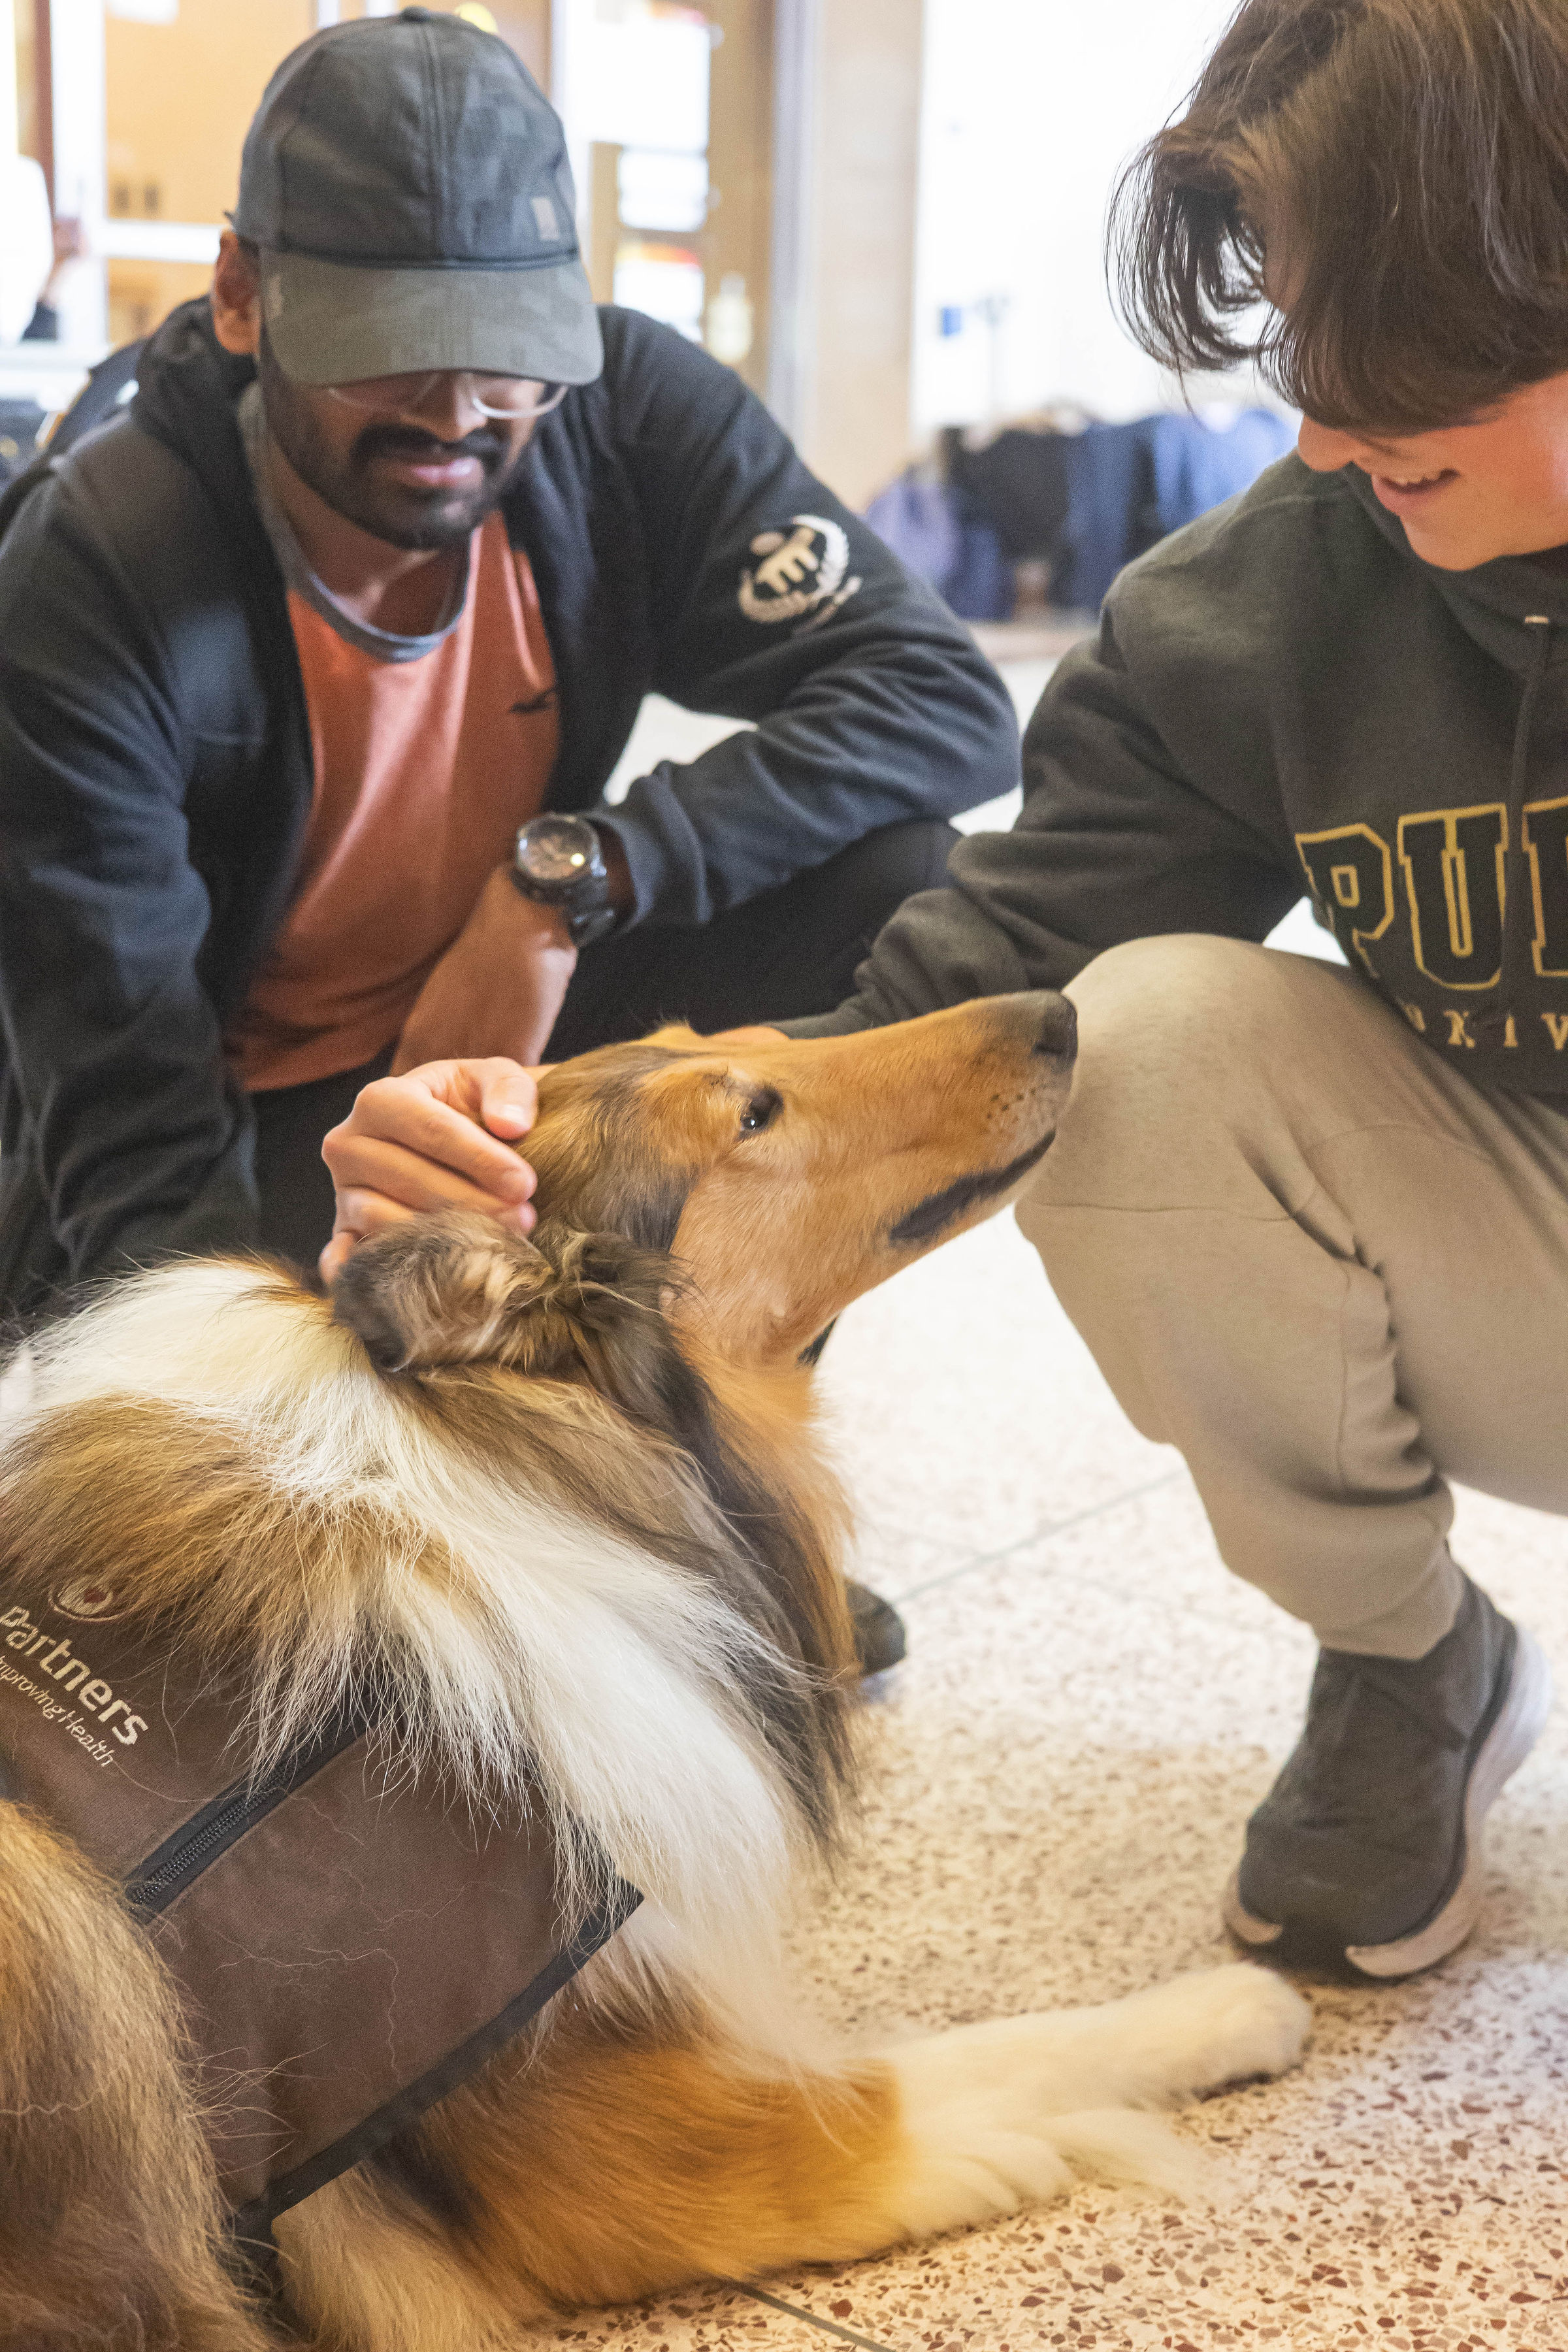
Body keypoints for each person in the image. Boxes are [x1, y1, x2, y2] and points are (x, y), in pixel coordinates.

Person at [329, 0, 1568, 1976]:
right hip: (1531, 1241)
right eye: (1298, 345)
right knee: (1133, 1046)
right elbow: (957, 1011)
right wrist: (538, 1162)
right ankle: (1410, 1657)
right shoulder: (1267, 603)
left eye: (1385, 353)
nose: (1323, 432)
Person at [0, 5, 1016, 1318]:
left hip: (508, 1030)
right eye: (385, 348)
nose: (456, 413)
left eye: (507, 356)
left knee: (896, 884)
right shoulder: (96, 565)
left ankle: (704, 1359)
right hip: (254, 1118)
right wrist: (266, 1345)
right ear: (242, 294)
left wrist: (572, 877)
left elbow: (942, 699)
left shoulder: (622, 417)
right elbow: (128, 1129)